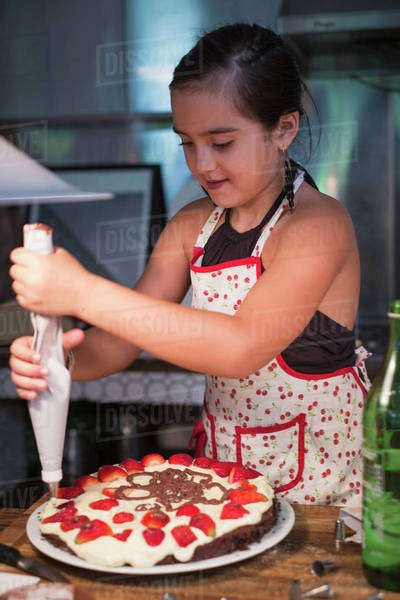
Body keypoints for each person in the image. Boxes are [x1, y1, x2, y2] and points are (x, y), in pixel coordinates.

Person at [9, 23, 371, 506]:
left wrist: (81, 292)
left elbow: (239, 349)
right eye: (187, 142)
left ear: (284, 129)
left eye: (221, 143)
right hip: (227, 488)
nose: (202, 164)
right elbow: (115, 344)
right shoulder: (192, 226)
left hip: (319, 502)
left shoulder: (316, 225)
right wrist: (57, 360)